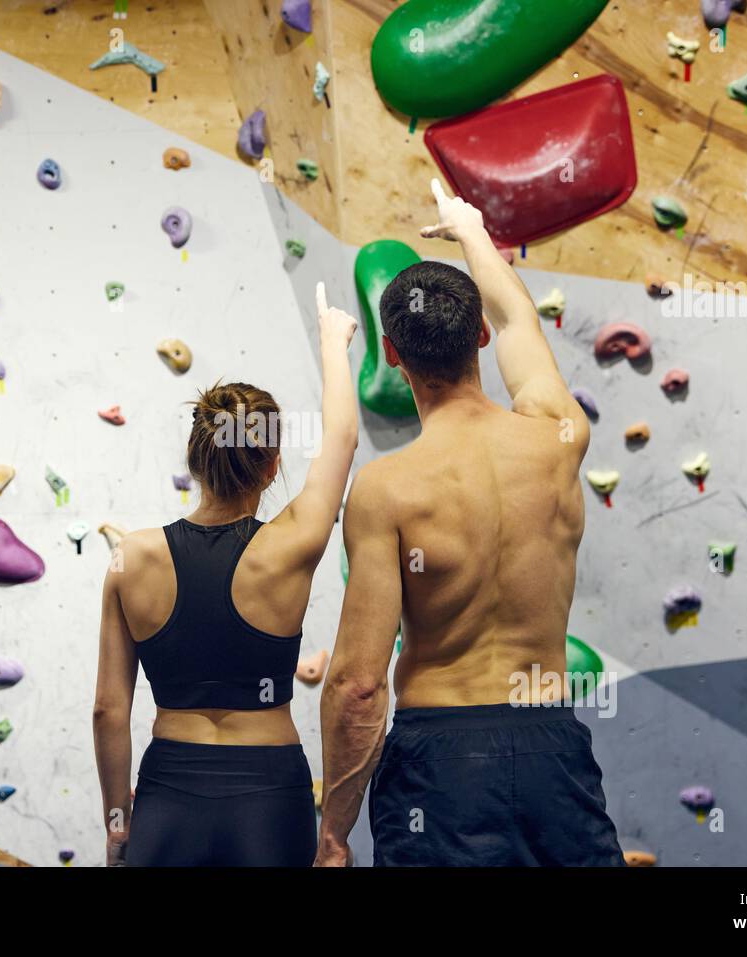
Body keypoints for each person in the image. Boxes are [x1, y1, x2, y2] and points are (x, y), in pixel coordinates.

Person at [314, 180, 624, 867]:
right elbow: (520, 324)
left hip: (441, 763)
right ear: (477, 335)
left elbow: (359, 684)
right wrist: (471, 228)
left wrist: (335, 829)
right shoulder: (558, 437)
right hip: (551, 748)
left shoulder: (387, 489)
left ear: (391, 355)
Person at [93, 283, 359, 866]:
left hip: (168, 795)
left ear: (194, 461)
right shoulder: (291, 547)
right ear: (272, 469)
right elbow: (341, 437)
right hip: (268, 798)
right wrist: (333, 341)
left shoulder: (130, 559)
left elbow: (108, 711)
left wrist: (119, 822)